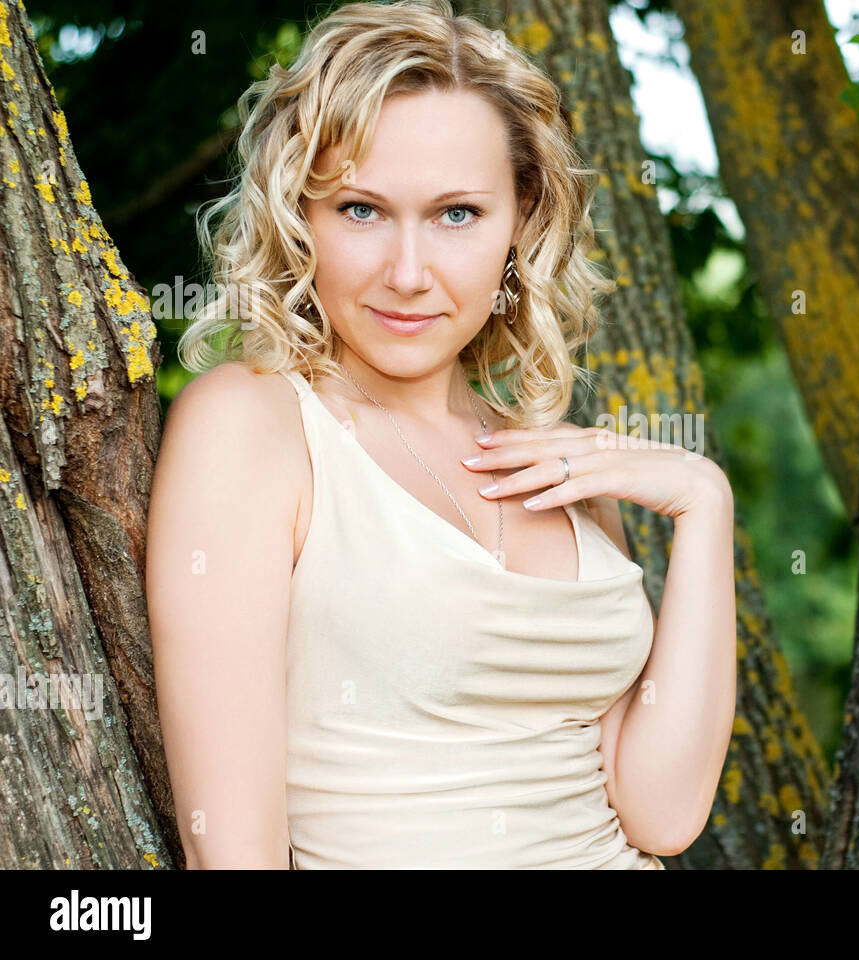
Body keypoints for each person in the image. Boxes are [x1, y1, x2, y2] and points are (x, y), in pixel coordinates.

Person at [144, 0, 736, 869]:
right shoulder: (252, 424)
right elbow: (232, 857)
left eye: (457, 214)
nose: (409, 274)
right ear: (298, 215)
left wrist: (704, 501)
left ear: (523, 221)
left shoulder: (556, 460)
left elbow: (664, 814)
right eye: (361, 210)